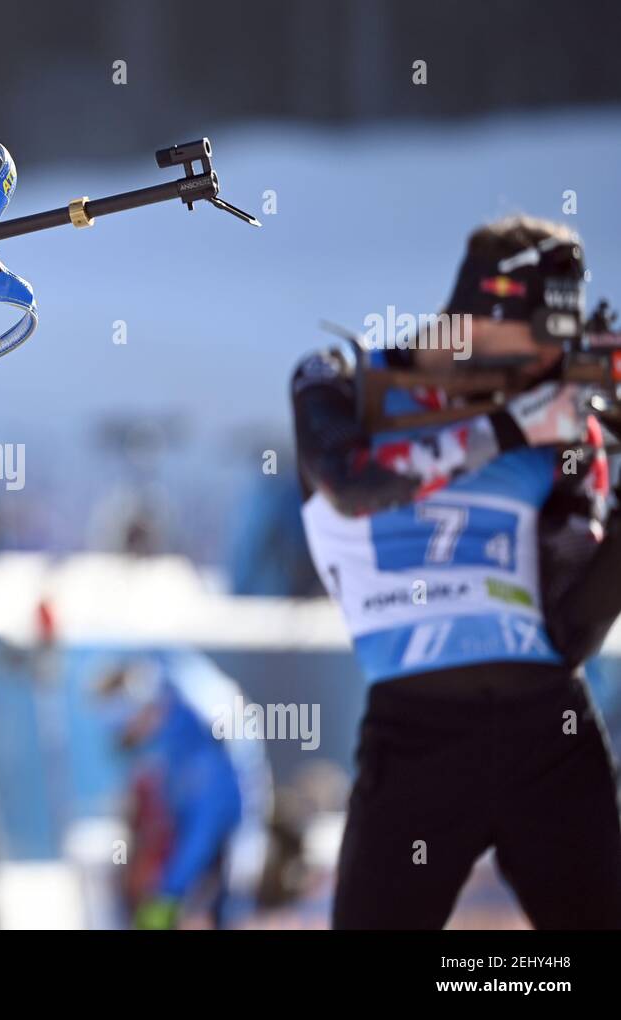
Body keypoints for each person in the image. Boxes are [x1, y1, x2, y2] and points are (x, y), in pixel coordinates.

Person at [293, 215, 621, 928]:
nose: (550, 357)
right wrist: (511, 428)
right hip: (415, 736)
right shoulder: (343, 381)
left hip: (551, 730)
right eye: (541, 334)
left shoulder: (560, 416)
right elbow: (355, 485)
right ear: (480, 316)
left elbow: (573, 628)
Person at [98, 652, 270, 929]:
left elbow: (206, 825)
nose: (137, 739)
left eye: (130, 730)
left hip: (224, 860)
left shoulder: (199, 732)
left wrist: (168, 893)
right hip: (212, 858)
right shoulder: (174, 706)